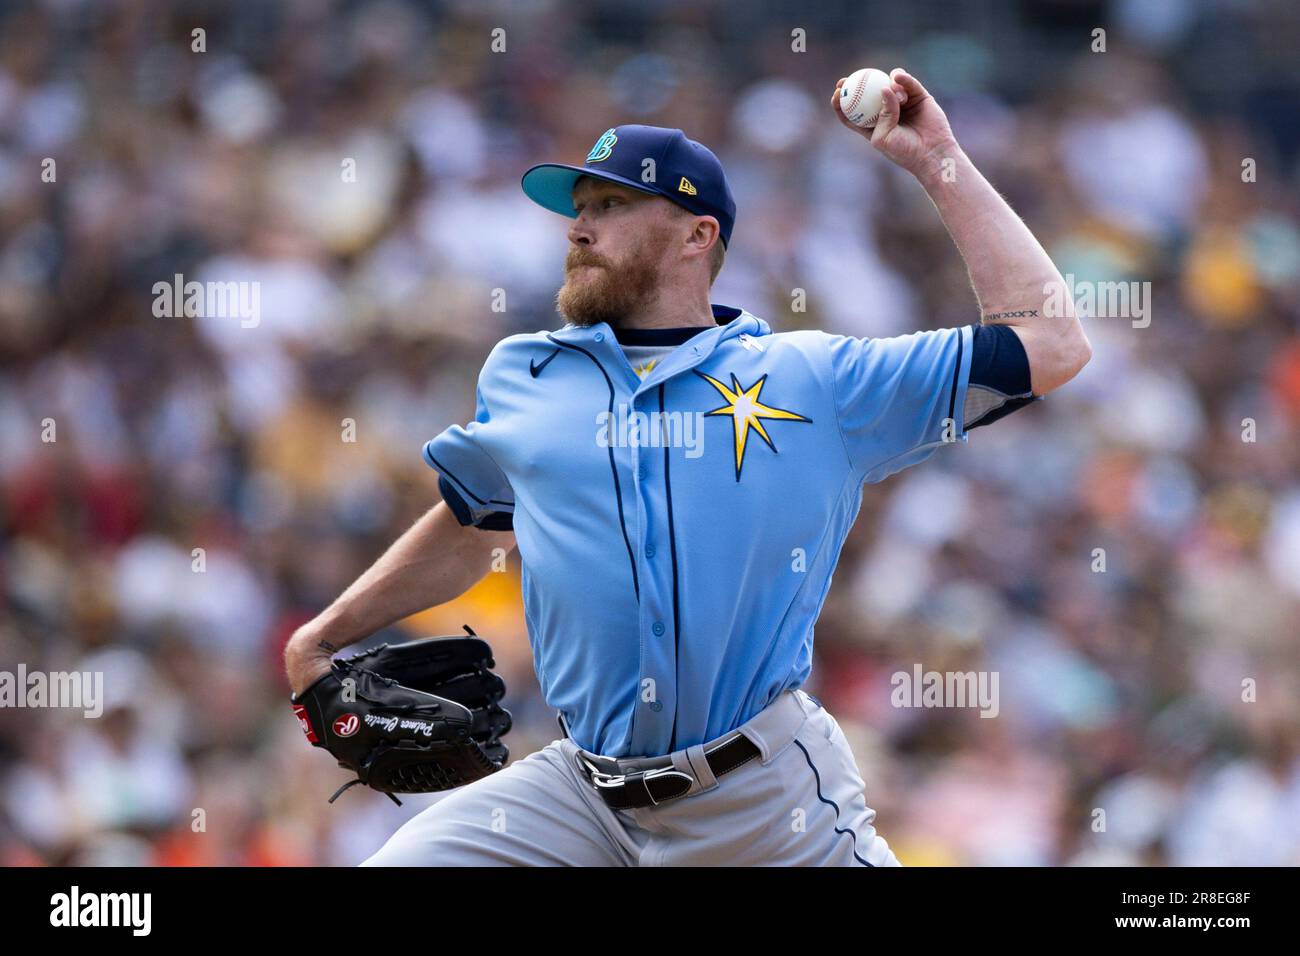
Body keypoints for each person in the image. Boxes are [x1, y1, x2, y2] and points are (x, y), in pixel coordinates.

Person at [284, 68, 1091, 866]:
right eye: (579, 208)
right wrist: (323, 637)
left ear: (697, 235)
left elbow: (1051, 344)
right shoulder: (526, 375)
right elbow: (474, 520)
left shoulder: (814, 380)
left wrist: (937, 159)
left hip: (761, 808)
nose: (578, 228)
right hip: (578, 799)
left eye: (612, 205)